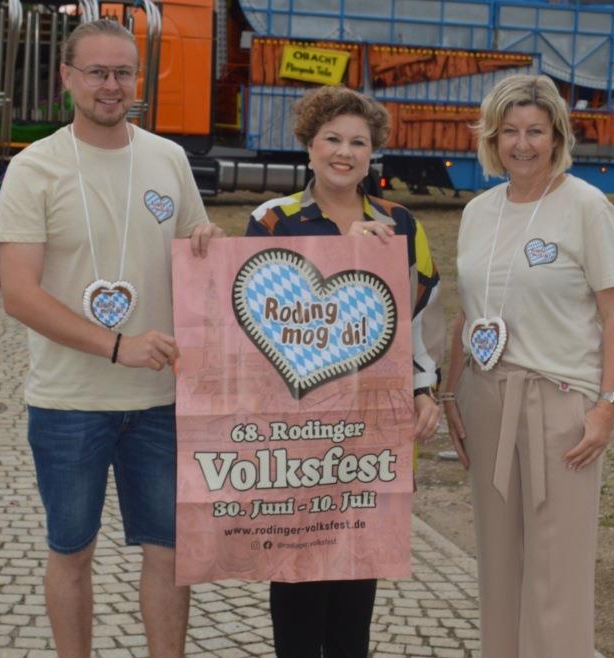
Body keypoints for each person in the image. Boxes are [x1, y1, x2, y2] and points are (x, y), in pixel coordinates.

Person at [0, 19, 223, 658]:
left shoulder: (168, 158)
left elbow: (200, 253)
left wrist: (209, 246)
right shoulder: (33, 168)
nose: (111, 85)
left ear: (137, 81)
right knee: (71, 552)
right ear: (67, 78)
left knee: (170, 555)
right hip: (69, 403)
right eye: (96, 72)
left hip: (159, 401)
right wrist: (118, 346)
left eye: (123, 72)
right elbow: (19, 293)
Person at [245, 85, 444, 658]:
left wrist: (426, 390)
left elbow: (419, 316)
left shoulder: (400, 222)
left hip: (370, 430)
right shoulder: (272, 221)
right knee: (297, 581)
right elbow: (249, 319)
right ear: (308, 145)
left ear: (372, 153)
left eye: (358, 142)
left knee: (357, 584)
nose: (344, 151)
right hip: (295, 431)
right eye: (331, 138)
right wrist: (345, 255)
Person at [441, 74, 614, 657]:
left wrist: (607, 407)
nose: (522, 144)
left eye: (535, 131)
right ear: (492, 138)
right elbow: (468, 312)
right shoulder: (479, 211)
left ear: (556, 137)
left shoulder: (585, 207)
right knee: (499, 564)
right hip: (486, 397)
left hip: (559, 402)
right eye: (510, 131)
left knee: (557, 572)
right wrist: (452, 396)